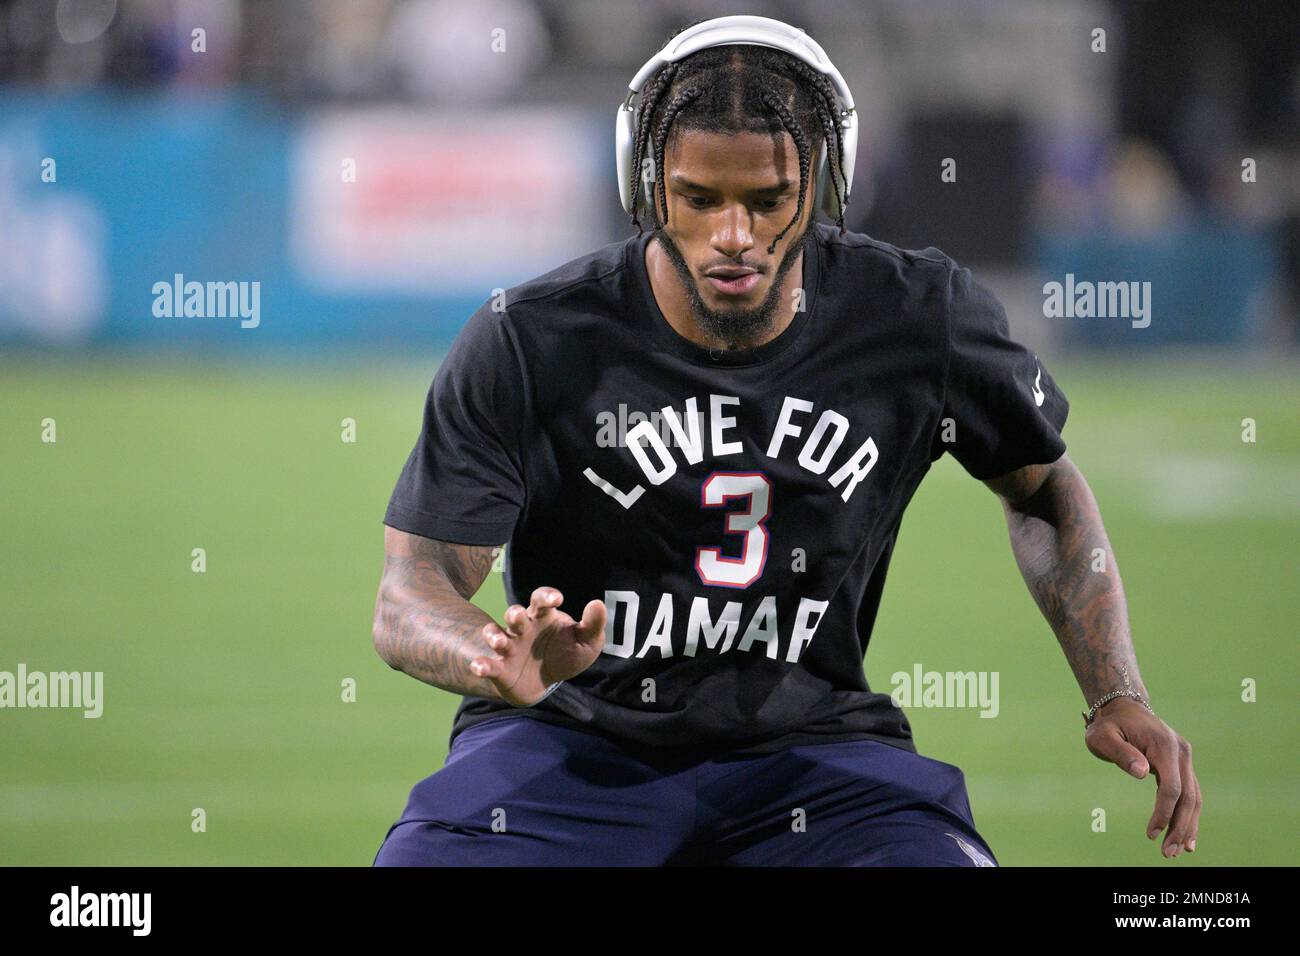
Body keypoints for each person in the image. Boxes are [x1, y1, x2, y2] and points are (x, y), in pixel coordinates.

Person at [370, 15, 1200, 866]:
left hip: (817, 758)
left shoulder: (917, 317)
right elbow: (409, 589)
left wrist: (1114, 687)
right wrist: (486, 650)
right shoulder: (532, 339)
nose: (735, 235)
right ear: (646, 182)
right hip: (561, 748)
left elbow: (1044, 489)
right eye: (700, 199)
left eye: (768, 201)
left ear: (828, 179)